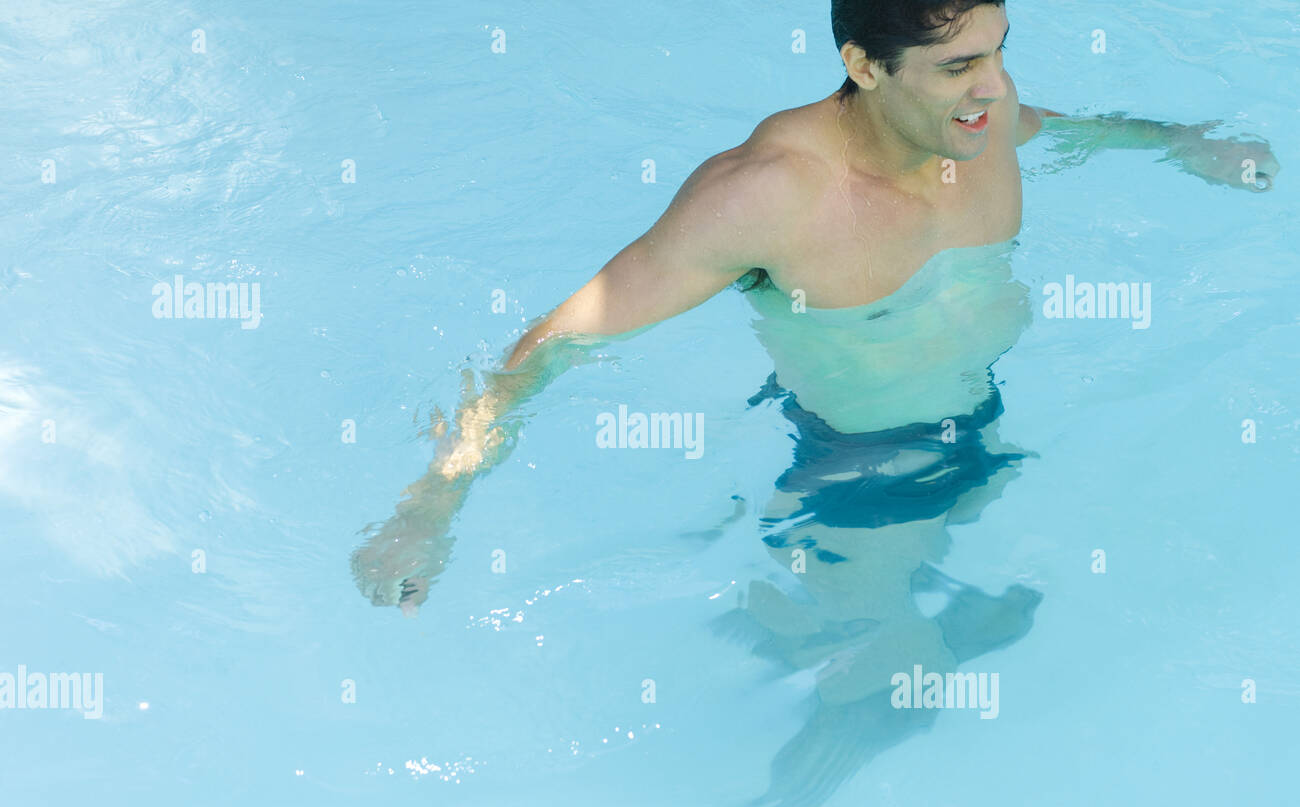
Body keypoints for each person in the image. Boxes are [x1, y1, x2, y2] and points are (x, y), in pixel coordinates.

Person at [351, 0, 1278, 621]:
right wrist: (430, 502)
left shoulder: (979, 118)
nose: (994, 84)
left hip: (981, 415)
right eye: (960, 64)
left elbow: (1055, 128)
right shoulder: (766, 197)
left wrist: (1179, 143)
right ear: (864, 66)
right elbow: (554, 342)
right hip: (857, 480)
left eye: (1001, 52)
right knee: (880, 687)